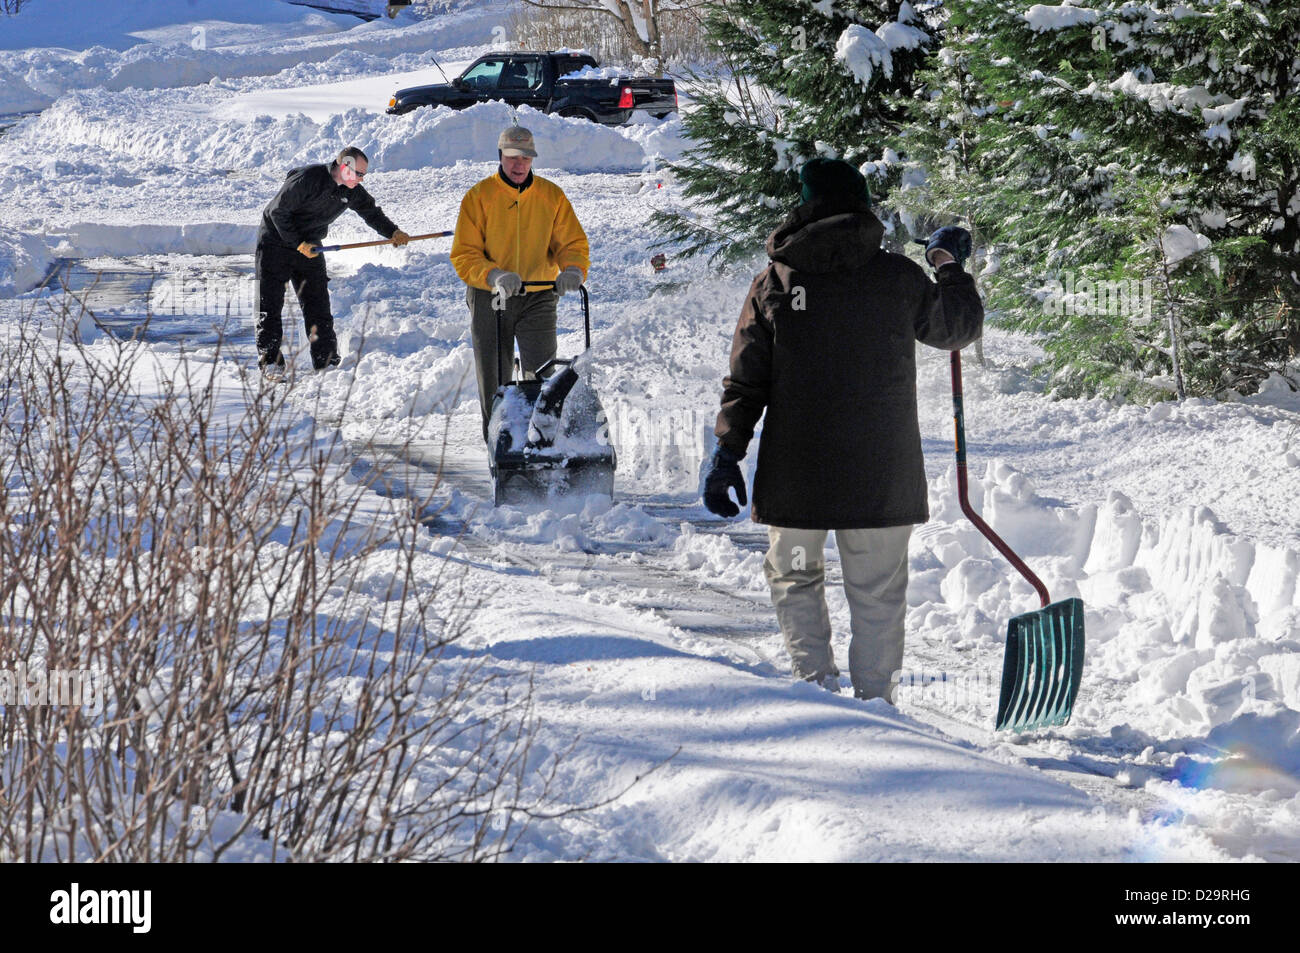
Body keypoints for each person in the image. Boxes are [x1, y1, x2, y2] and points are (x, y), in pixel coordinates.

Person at [702, 157, 984, 702]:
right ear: (864, 208)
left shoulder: (776, 284)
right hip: (879, 483)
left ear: (803, 209)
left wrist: (726, 453)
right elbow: (956, 329)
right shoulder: (897, 278)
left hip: (799, 483)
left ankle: (815, 687)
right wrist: (947, 266)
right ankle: (877, 704)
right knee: (877, 593)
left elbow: (746, 382)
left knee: (798, 576)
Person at [450, 125, 590, 440]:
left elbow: (572, 244)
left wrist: (573, 270)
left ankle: (541, 438)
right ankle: (497, 440)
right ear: (500, 156)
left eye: (526, 158)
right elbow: (465, 254)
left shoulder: (551, 195)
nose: (519, 164)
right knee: (494, 375)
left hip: (539, 294)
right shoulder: (478, 197)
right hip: (491, 297)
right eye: (513, 157)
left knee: (541, 371)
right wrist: (494, 275)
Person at [255, 146, 410, 372]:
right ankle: (270, 363)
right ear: (344, 166)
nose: (361, 179)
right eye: (358, 173)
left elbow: (371, 212)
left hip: (310, 246)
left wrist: (393, 232)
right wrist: (297, 243)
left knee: (317, 303)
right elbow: (277, 212)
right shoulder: (307, 179)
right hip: (275, 242)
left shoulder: (352, 190)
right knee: (270, 303)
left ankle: (326, 362)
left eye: (364, 174)